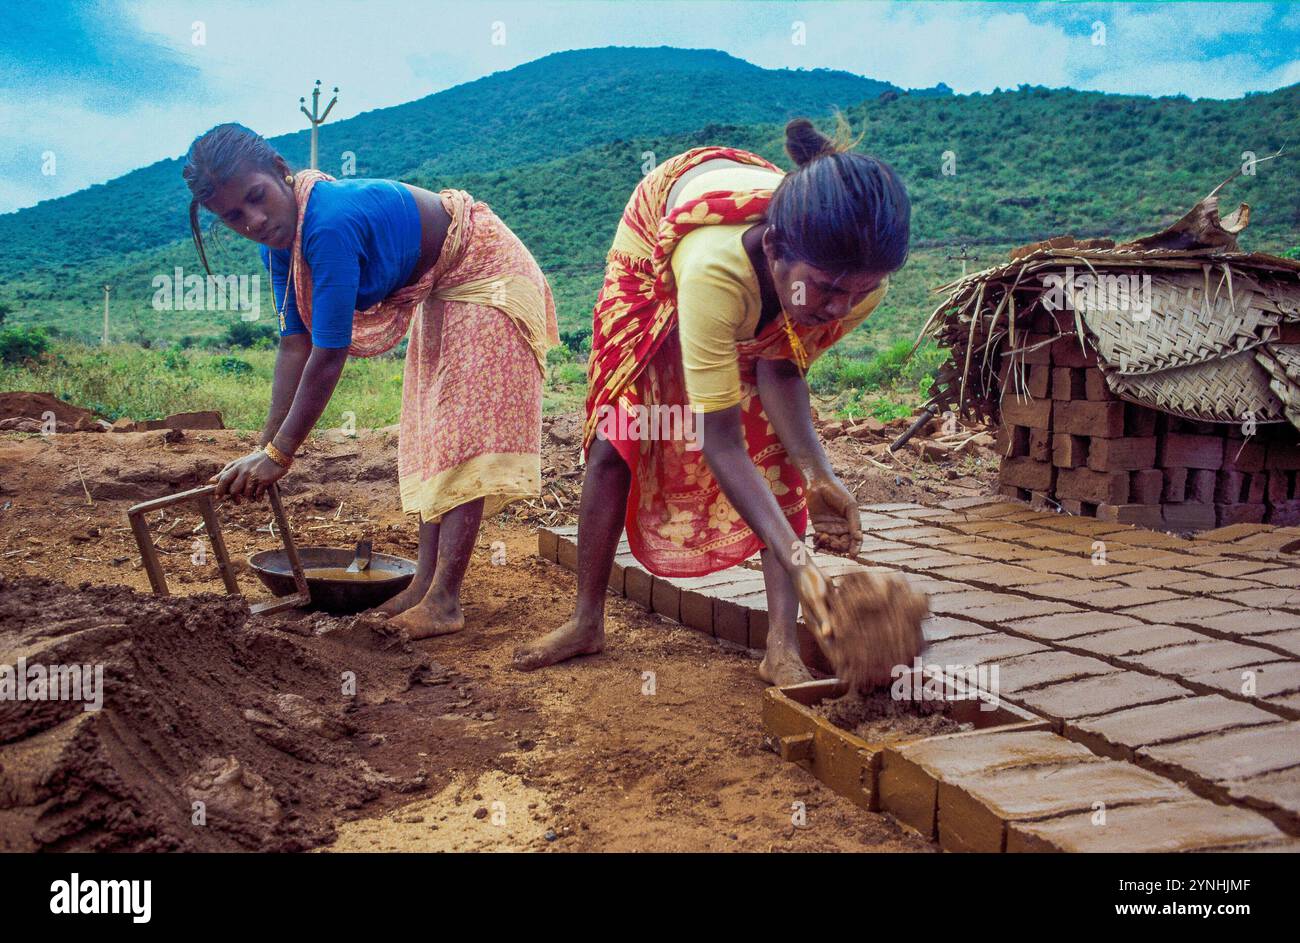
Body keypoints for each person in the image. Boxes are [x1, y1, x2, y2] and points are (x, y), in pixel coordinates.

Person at [513, 117, 910, 684]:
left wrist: (817, 472)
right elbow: (720, 441)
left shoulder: (853, 278)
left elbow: (779, 365)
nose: (840, 309)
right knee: (619, 435)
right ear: (774, 249)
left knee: (776, 455)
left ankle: (782, 648)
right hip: (658, 241)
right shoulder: (712, 271)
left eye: (859, 293)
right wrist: (806, 568)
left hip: (762, 263)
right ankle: (585, 621)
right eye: (824, 290)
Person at [182, 123, 558, 639]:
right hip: (444, 285)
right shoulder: (281, 247)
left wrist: (281, 454)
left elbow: (328, 352)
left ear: (280, 171)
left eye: (257, 198)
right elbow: (295, 342)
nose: (255, 220)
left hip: (487, 270)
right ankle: (424, 586)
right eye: (234, 216)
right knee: (434, 434)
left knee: (464, 435)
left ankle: (445, 600)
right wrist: (264, 447)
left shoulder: (327, 226)